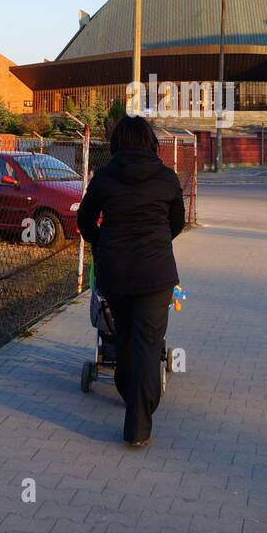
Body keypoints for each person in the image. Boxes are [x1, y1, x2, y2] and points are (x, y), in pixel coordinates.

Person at [77, 113, 186, 447]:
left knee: (123, 337)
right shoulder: (167, 178)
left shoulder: (104, 178)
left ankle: (131, 394)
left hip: (116, 273)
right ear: (151, 143)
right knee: (148, 344)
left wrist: (103, 242)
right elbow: (177, 222)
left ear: (117, 143)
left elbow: (83, 220)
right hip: (155, 276)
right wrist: (156, 242)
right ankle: (139, 424)